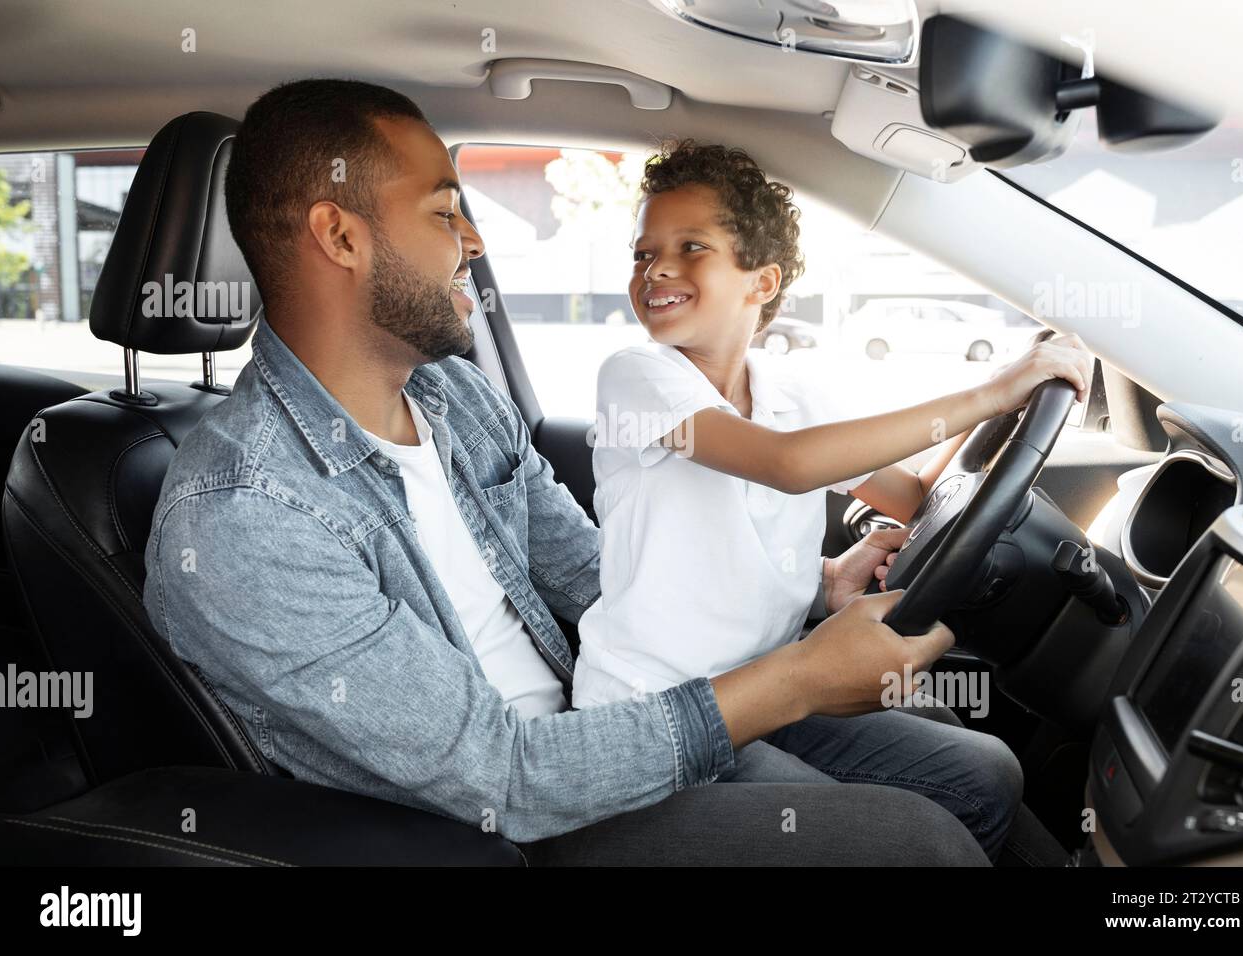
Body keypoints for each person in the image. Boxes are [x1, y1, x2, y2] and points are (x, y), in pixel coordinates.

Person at [142, 78, 1056, 865]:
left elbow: (593, 574)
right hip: (514, 831)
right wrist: (798, 680)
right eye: (443, 209)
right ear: (340, 238)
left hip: (594, 731)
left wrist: (808, 593)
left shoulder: (455, 398)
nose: (475, 239)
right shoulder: (244, 516)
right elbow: (503, 780)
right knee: (917, 844)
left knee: (980, 776)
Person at [569, 142, 1094, 859]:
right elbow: (789, 465)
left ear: (762, 281)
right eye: (643, 253)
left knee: (987, 772)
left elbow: (914, 496)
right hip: (665, 718)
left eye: (691, 248)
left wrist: (998, 417)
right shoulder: (638, 377)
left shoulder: (791, 392)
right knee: (911, 836)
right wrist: (988, 390)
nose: (656, 269)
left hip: (771, 685)